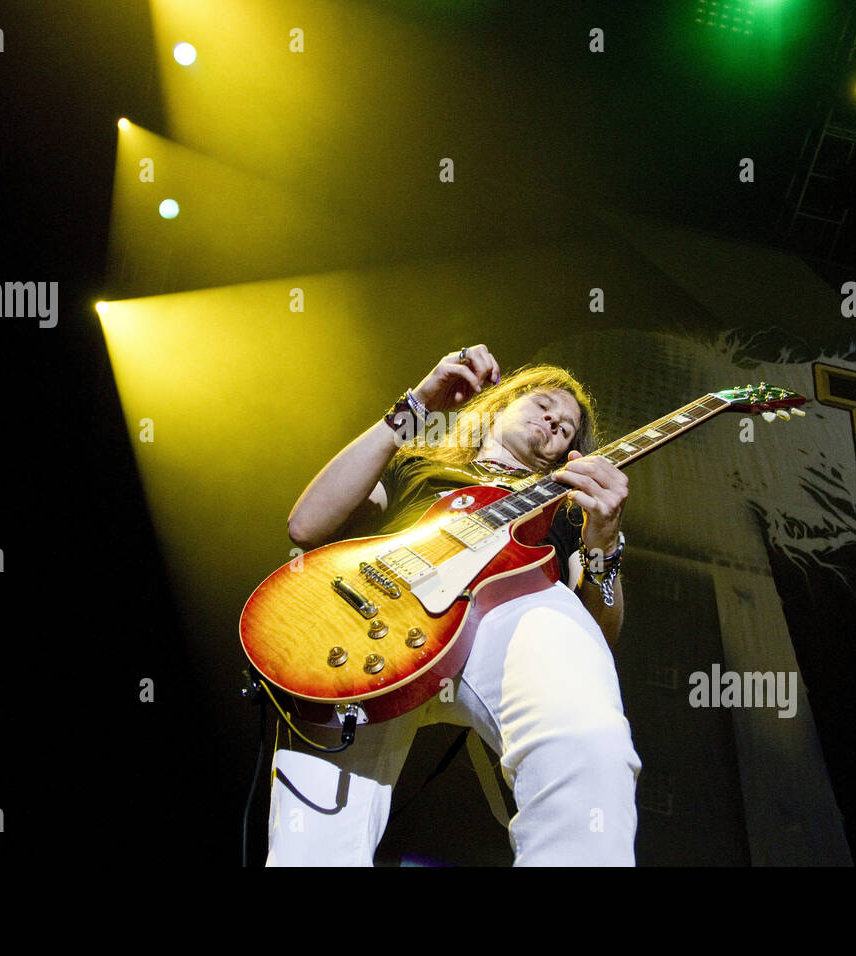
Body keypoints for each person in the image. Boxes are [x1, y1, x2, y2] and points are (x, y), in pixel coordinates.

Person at [267, 344, 641, 865]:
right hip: (372, 623)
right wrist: (416, 405)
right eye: (544, 403)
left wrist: (604, 541)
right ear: (503, 401)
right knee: (311, 847)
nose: (557, 420)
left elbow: (597, 639)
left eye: (568, 429)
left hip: (515, 612)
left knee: (586, 744)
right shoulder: (416, 466)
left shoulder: (567, 510)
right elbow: (306, 527)